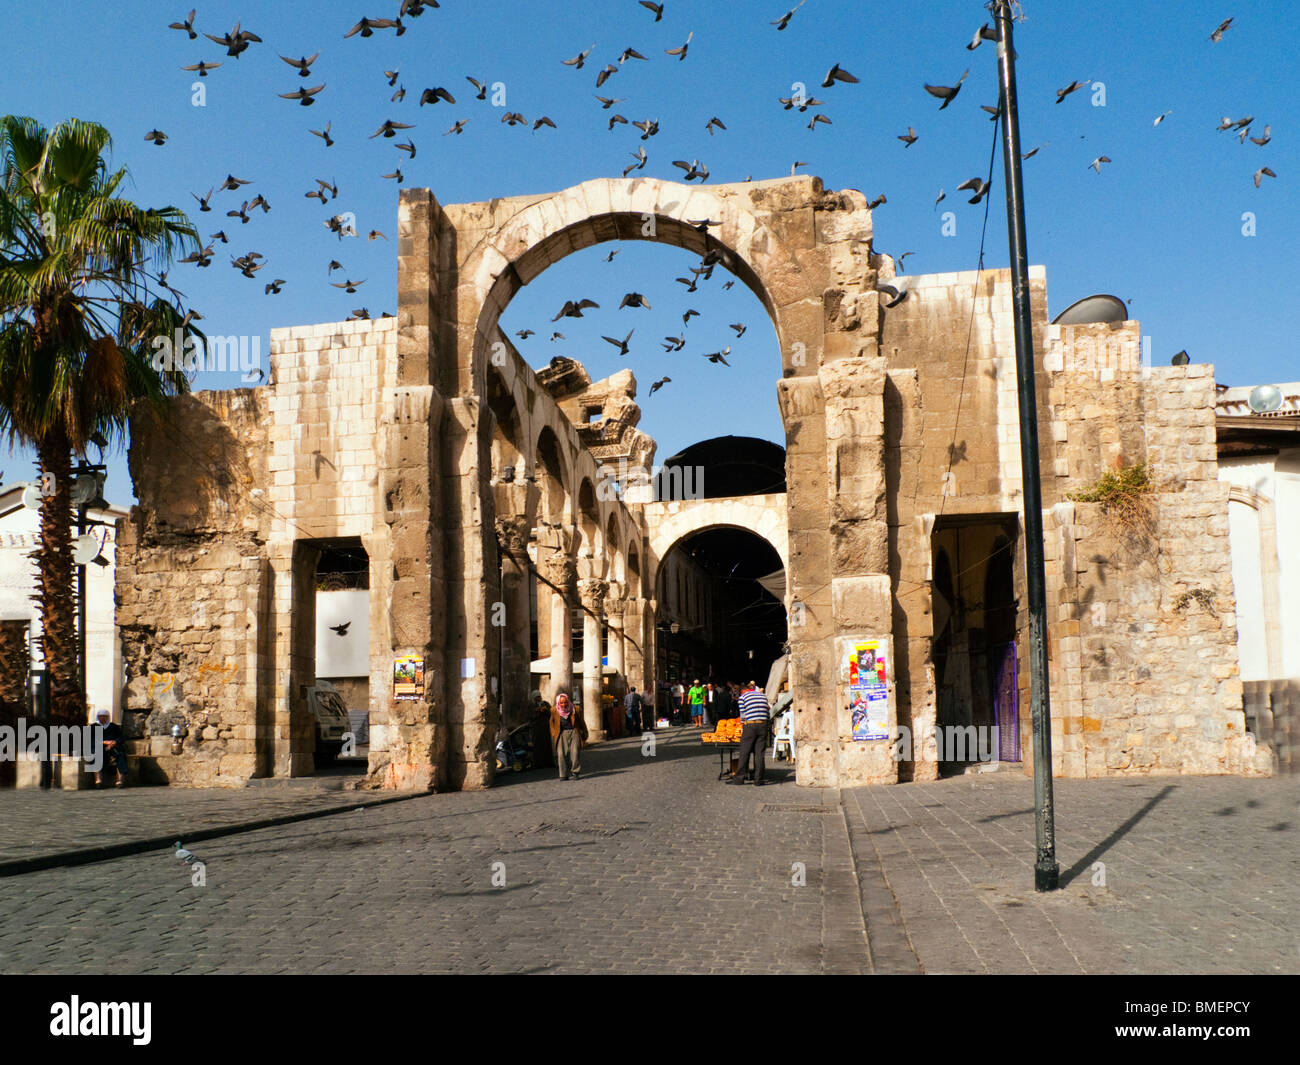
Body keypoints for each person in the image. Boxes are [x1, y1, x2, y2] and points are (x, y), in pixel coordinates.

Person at [727, 680, 771, 786]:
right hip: (763, 724)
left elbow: (743, 716)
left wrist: (742, 724)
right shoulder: (762, 695)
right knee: (759, 753)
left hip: (750, 725)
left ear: (742, 691)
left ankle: (739, 778)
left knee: (744, 751)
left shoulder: (743, 698)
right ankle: (758, 780)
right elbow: (768, 711)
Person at [550, 692, 587, 780]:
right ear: (558, 703)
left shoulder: (575, 709)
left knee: (575, 753)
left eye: (565, 702)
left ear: (568, 701)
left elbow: (582, 722)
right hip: (561, 733)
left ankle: (575, 772)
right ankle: (563, 774)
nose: (564, 704)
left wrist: (585, 733)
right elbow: (551, 723)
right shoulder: (554, 710)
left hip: (574, 732)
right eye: (561, 703)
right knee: (561, 754)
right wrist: (554, 734)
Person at [92, 709, 128, 788]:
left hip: (113, 747)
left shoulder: (113, 726)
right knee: (96, 755)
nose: (103, 718)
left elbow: (121, 737)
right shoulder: (93, 727)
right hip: (99, 747)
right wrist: (103, 742)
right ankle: (98, 780)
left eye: (105, 716)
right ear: (98, 717)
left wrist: (114, 742)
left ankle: (120, 781)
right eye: (101, 716)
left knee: (120, 755)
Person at [530, 691, 554, 768]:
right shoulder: (531, 706)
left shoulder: (545, 704)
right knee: (537, 745)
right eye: (536, 697)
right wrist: (537, 712)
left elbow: (551, 713)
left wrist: (546, 710)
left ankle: (549, 762)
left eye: (539, 697)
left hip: (545, 727)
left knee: (547, 744)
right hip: (536, 728)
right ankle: (538, 763)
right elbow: (530, 717)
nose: (538, 698)